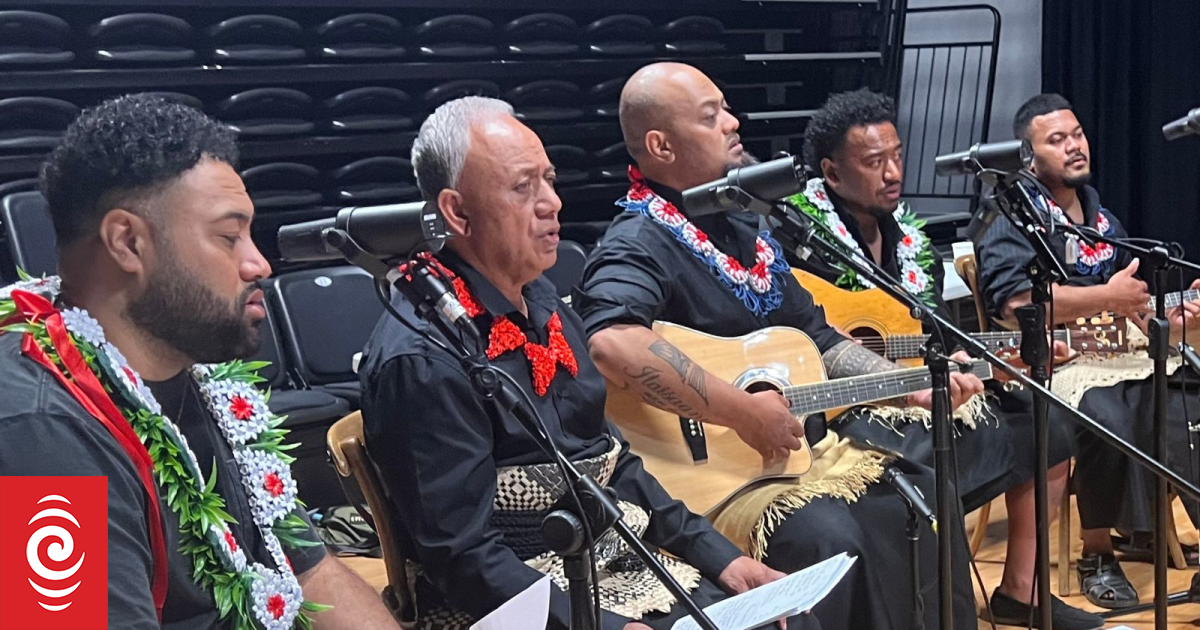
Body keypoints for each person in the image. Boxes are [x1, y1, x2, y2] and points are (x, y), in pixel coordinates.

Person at [358, 96, 815, 630]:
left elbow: (612, 461)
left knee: (786, 615)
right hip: (512, 599)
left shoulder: (545, 302)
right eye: (522, 187)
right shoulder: (421, 356)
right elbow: (464, 558)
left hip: (604, 559)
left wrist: (724, 559)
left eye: (549, 180)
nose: (551, 202)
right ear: (456, 212)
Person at [574, 62, 981, 630]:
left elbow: (818, 336)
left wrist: (910, 387)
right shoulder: (638, 242)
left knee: (919, 496)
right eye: (711, 116)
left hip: (793, 459)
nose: (734, 123)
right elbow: (612, 344)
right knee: (828, 534)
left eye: (727, 108)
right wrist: (741, 410)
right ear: (660, 146)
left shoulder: (746, 229)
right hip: (708, 484)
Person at [0, 94, 399, 629]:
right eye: (229, 237)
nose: (258, 264)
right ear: (127, 242)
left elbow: (313, 572)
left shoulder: (202, 375)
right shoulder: (38, 430)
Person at [788, 88, 1101, 629]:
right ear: (831, 174)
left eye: (896, 156)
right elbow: (799, 333)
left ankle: (1021, 591)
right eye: (873, 162)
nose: (892, 173)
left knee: (1042, 423)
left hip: (913, 390)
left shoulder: (906, 236)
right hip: (836, 413)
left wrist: (981, 357)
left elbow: (928, 334)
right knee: (933, 455)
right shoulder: (796, 238)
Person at [975, 93, 1200, 611]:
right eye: (1057, 140)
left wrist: (1166, 319)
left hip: (1120, 356)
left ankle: (1154, 528)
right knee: (1107, 413)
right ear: (1029, 158)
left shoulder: (1101, 214)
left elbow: (1131, 303)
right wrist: (1107, 298)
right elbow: (1014, 302)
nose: (1074, 146)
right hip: (1053, 362)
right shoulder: (1013, 211)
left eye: (1076, 134)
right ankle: (1097, 553)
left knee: (1185, 389)